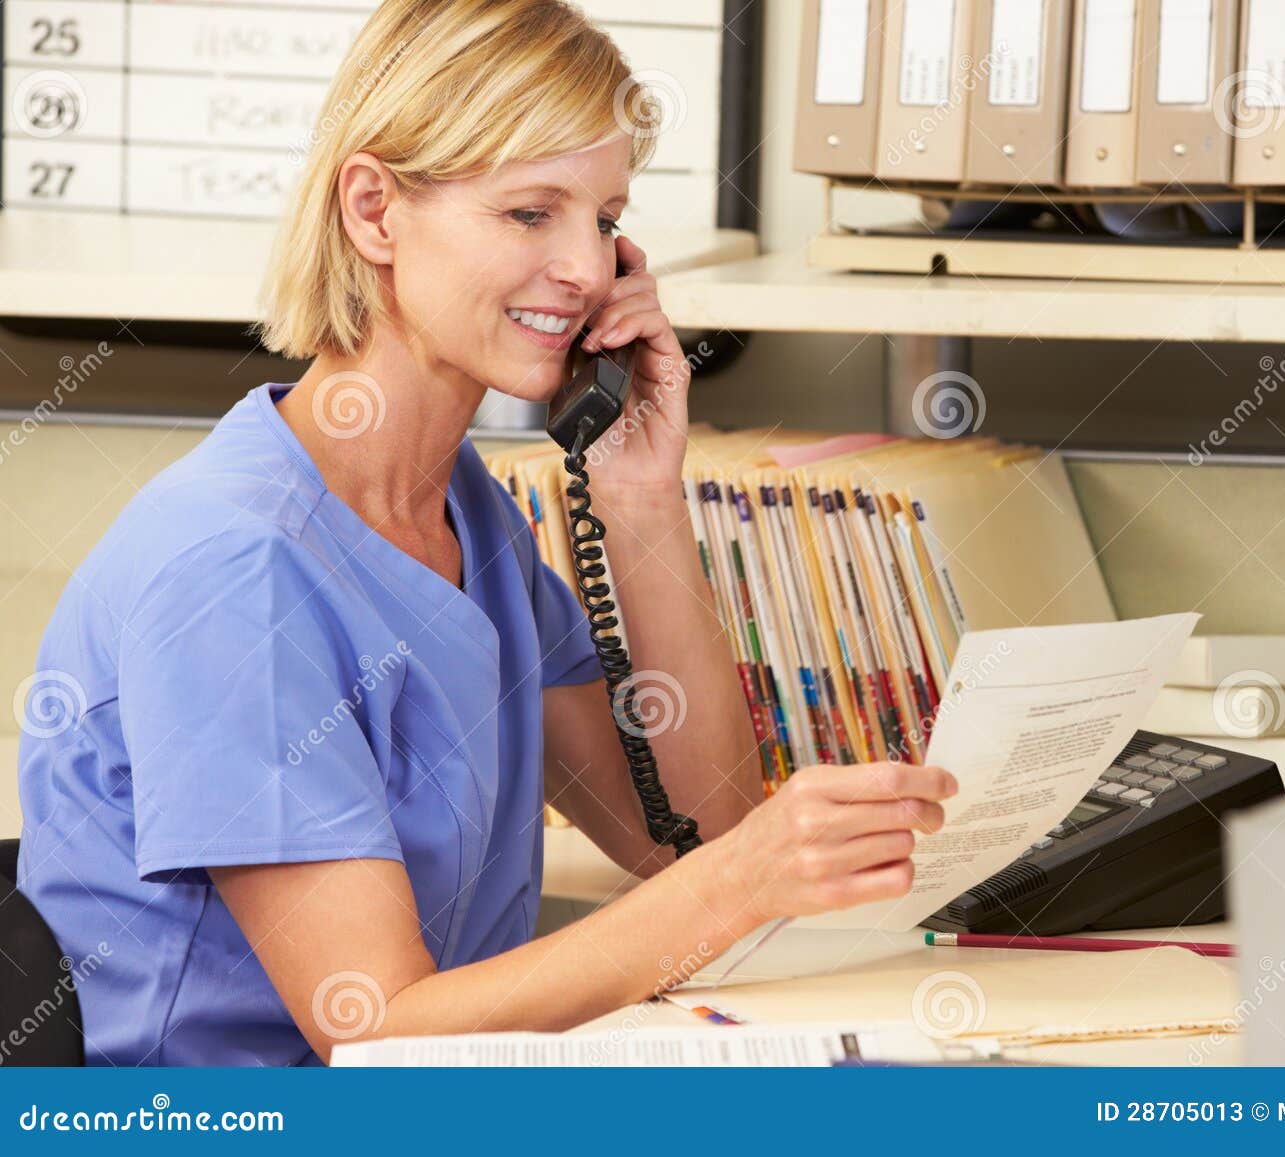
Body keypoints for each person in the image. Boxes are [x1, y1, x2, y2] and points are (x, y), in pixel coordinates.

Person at [16, 0, 952, 1066]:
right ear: (373, 210)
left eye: (604, 220)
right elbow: (376, 1026)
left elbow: (682, 836)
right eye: (528, 214)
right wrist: (739, 879)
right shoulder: (232, 570)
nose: (587, 271)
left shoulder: (464, 507)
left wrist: (640, 500)